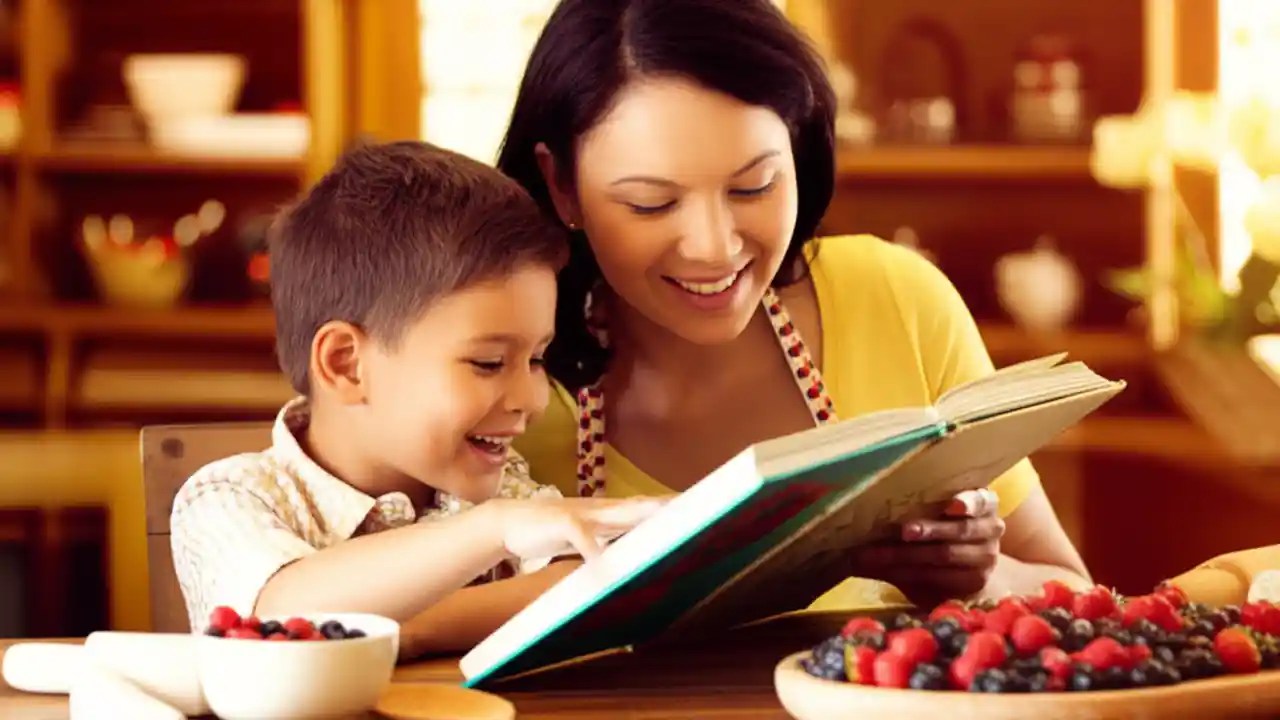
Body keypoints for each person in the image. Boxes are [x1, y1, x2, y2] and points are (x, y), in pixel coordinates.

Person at [499, 0, 1091, 610]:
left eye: (754, 186)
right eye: (652, 203)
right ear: (561, 184)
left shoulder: (894, 298)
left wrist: (983, 580)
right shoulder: (497, 376)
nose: (715, 247)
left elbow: (1074, 591)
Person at [170, 141, 665, 657]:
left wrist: (408, 629)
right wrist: (492, 531)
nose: (532, 397)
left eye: (537, 359)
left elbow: (581, 585)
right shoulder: (229, 498)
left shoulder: (496, 486)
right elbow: (280, 619)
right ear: (345, 364)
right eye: (489, 363)